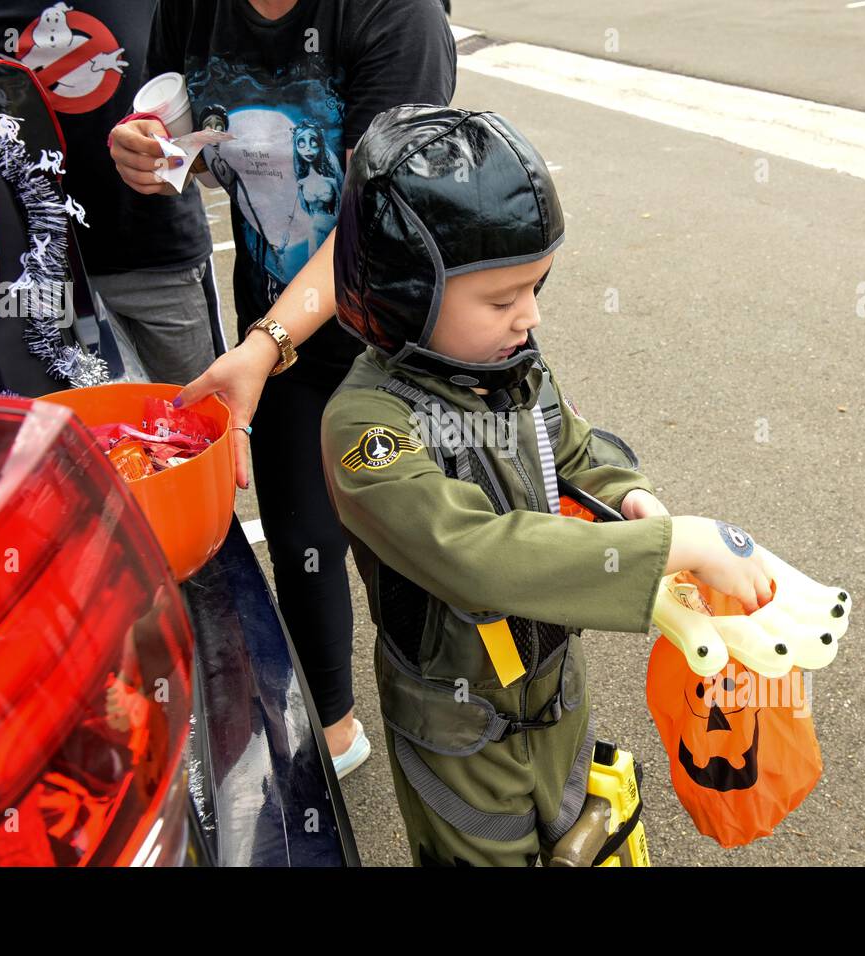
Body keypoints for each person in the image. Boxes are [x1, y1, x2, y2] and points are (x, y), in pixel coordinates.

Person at [319, 106, 776, 866]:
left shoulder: (513, 370)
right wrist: (675, 541)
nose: (528, 318)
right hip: (456, 723)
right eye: (500, 301)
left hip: (554, 687)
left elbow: (575, 448)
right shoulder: (367, 428)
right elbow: (472, 551)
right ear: (407, 294)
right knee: (483, 852)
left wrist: (632, 498)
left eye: (536, 288)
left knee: (575, 836)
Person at [109, 0, 456, 776]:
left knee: (412, 549)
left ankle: (469, 754)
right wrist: (158, 155)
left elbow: (378, 213)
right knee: (302, 541)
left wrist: (264, 344)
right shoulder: (191, 10)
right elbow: (205, 144)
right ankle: (333, 736)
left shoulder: (395, 17)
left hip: (397, 338)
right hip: (280, 327)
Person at [0, 0, 220, 385]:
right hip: (35, 270)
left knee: (202, 413)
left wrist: (193, 154)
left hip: (157, 253)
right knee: (94, 429)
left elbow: (199, 83)